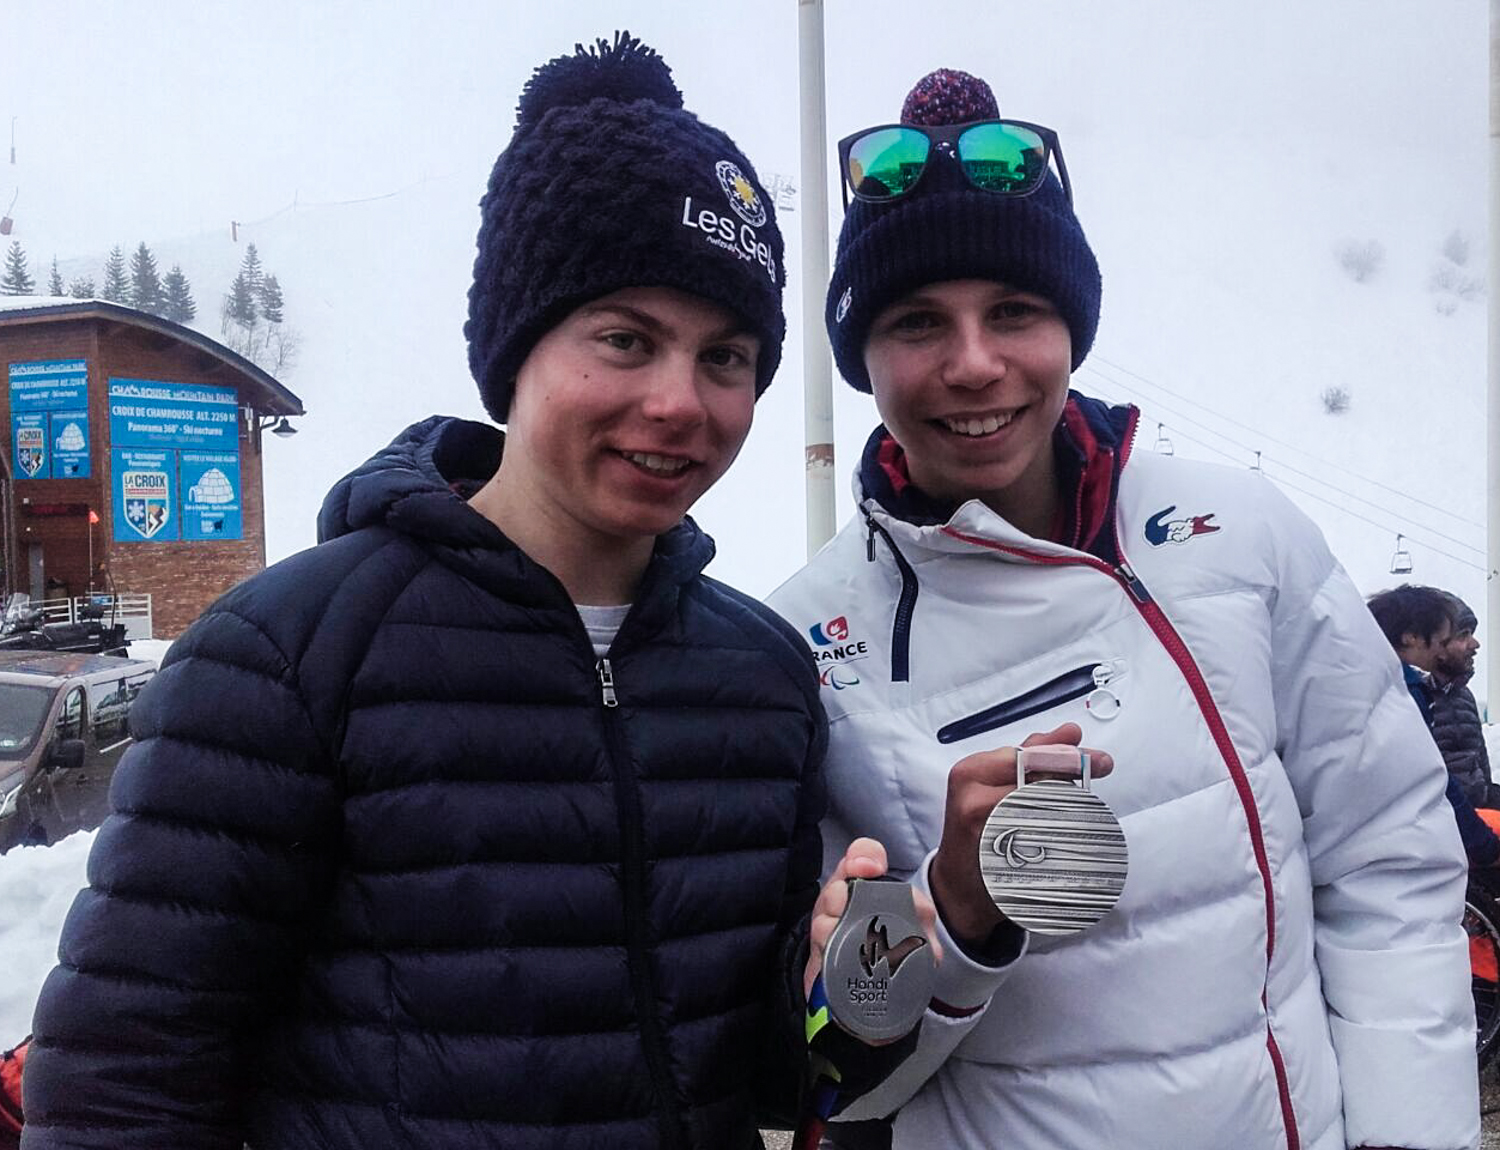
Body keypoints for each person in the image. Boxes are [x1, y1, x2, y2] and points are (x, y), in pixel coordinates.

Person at [20, 34, 920, 1150]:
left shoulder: (763, 675)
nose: (681, 403)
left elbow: (772, 1081)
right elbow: (123, 1089)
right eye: (625, 339)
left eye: (727, 357)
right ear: (517, 352)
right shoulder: (286, 656)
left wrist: (835, 979)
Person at [768, 66, 1476, 1150]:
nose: (974, 363)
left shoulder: (1239, 531)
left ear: (1074, 325)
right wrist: (952, 914)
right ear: (862, 356)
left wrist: (1408, 1138)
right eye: (917, 321)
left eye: (1014, 311)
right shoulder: (812, 644)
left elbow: (1387, 860)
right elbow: (831, 1068)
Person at [1368, 584, 1499, 867]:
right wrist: (1483, 844)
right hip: (1436, 835)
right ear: (1412, 637)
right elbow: (1433, 780)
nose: (1474, 644)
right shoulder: (1404, 693)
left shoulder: (1459, 696)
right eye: (1458, 636)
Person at [1431, 593, 1493, 807]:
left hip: (1476, 817)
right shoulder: (1409, 696)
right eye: (1463, 635)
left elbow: (1481, 765)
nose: (1475, 644)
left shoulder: (1463, 695)